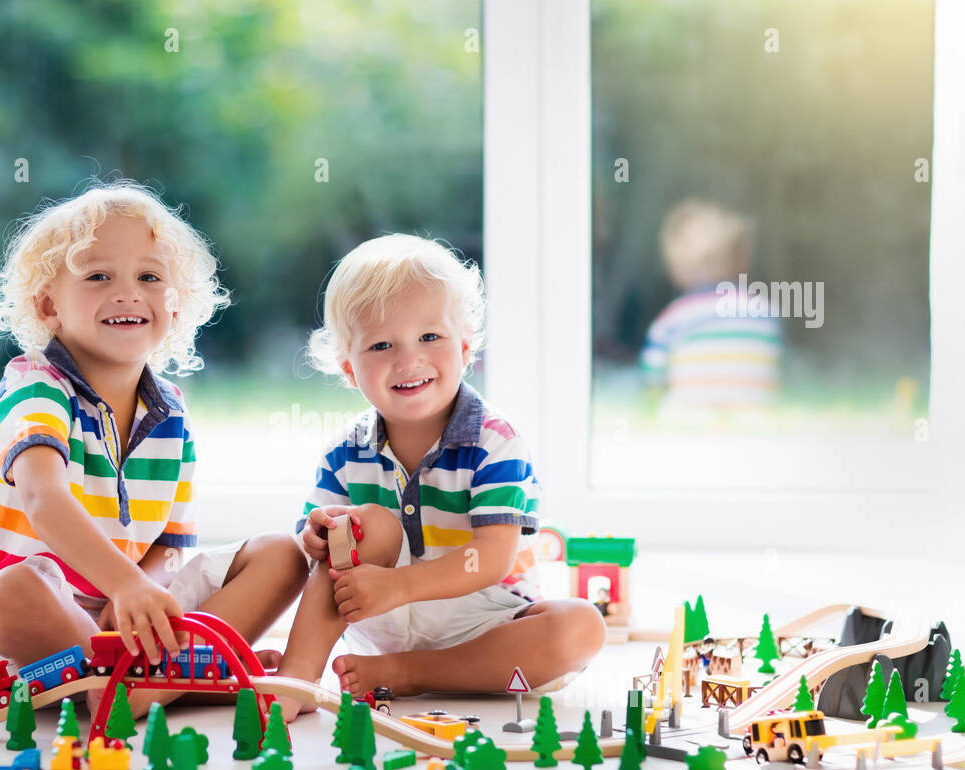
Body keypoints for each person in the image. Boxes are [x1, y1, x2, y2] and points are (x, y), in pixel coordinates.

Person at [0, 181, 307, 719]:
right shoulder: (34, 389)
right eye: (98, 276)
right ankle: (163, 681)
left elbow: (170, 544)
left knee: (282, 554)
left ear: (176, 305)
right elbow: (43, 499)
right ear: (49, 305)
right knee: (19, 588)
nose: (128, 293)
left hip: (115, 616)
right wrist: (125, 583)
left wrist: (137, 592)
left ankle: (145, 680)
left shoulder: (171, 413)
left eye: (149, 278)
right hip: (2, 638)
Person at [273, 234, 606, 722]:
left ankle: (413, 672)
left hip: (484, 622)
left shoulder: (495, 442)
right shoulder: (344, 452)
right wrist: (318, 533)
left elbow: (492, 557)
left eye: (430, 337)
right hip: (379, 616)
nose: (409, 360)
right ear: (349, 370)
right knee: (363, 523)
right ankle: (299, 678)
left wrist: (401, 585)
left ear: (465, 346)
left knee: (581, 627)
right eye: (381, 345)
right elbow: (315, 549)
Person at [639, 199, 781, 423]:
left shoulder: (674, 317)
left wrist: (653, 397)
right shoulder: (765, 311)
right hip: (755, 414)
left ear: (676, 269)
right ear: (742, 261)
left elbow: (653, 373)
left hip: (690, 415)